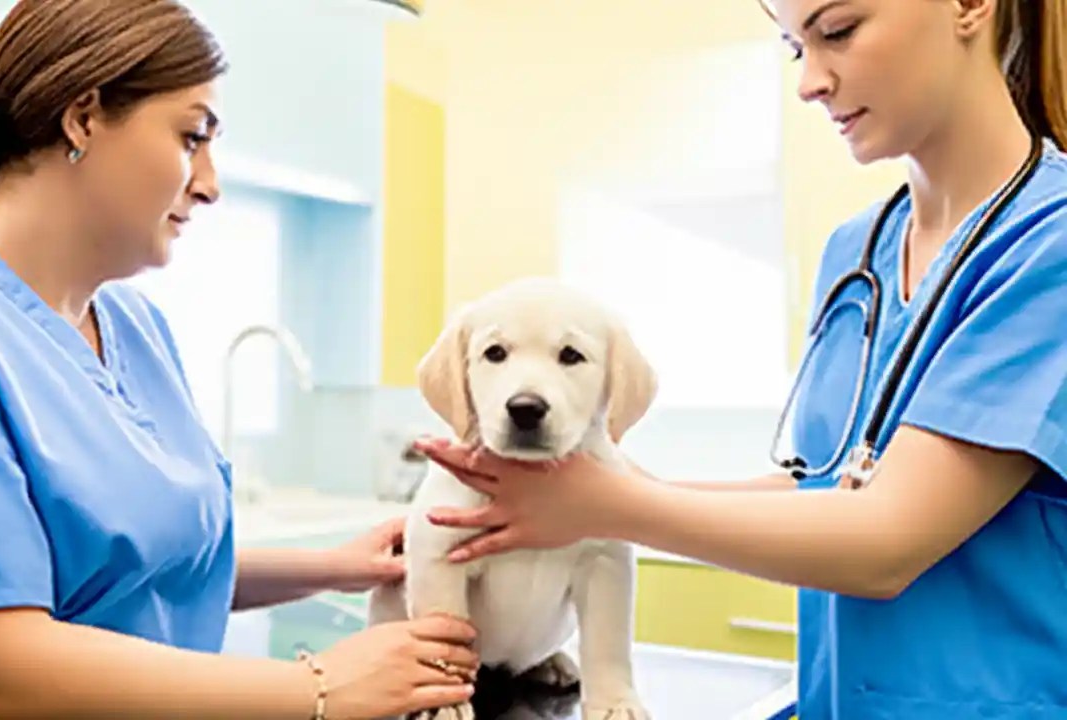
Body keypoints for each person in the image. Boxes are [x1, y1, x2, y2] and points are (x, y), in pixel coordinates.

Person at [0, 1, 479, 718]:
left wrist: (335, 568)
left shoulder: (133, 326)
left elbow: (122, 571)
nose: (208, 183)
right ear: (83, 117)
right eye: (192, 136)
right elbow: (1, 668)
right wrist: (321, 687)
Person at [416, 1, 1067, 718]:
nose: (809, 83)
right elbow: (826, 489)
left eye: (839, 31)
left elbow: (886, 537)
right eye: (795, 49)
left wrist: (608, 504)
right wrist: (619, 482)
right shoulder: (856, 252)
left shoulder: (1051, 246)